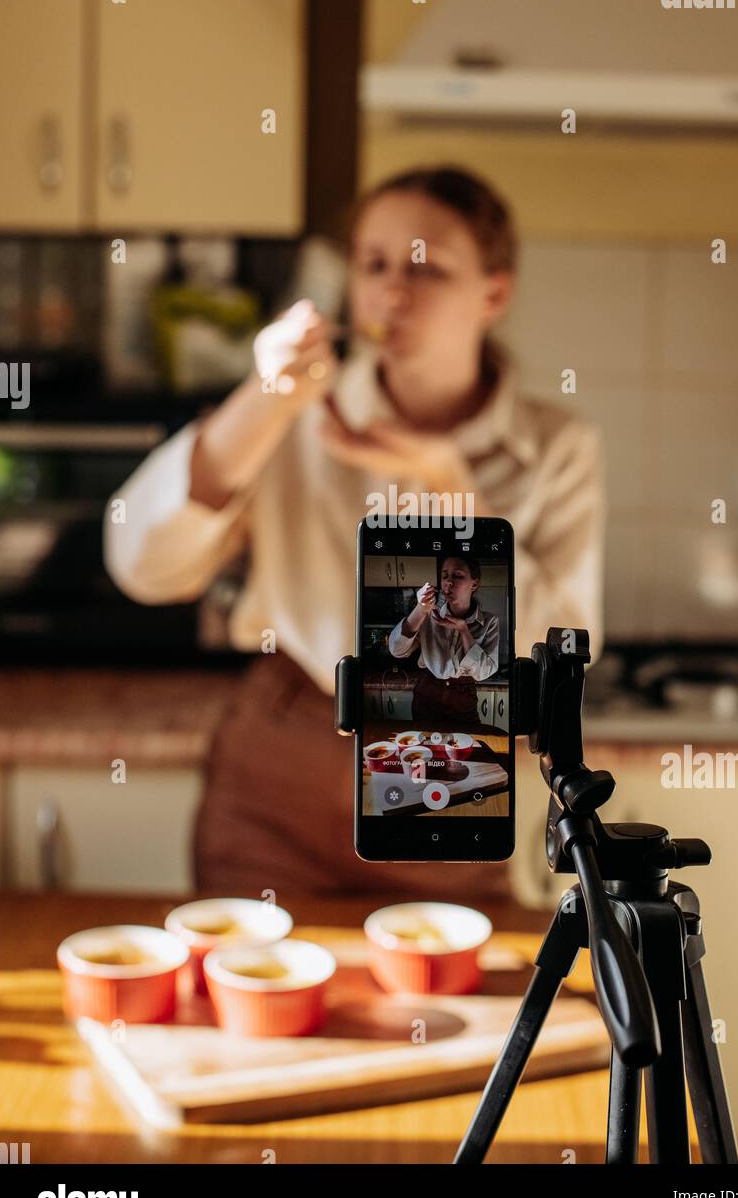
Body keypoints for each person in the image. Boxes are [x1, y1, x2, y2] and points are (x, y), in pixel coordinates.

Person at [104, 166, 605, 901]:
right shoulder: (293, 417)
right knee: (258, 998)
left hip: (452, 752)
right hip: (282, 760)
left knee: (445, 1002)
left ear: (493, 294)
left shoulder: (561, 447)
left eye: (425, 266)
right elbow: (143, 566)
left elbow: (560, 660)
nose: (391, 292)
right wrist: (264, 396)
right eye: (373, 264)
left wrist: (451, 489)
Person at [388, 555, 499, 723]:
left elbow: (482, 673)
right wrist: (420, 609)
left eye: (457, 576)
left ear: (474, 584)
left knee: (468, 746)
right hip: (427, 692)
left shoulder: (490, 622)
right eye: (445, 576)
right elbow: (397, 650)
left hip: (463, 698)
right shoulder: (428, 615)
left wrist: (463, 630)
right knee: (424, 747)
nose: (448, 582)